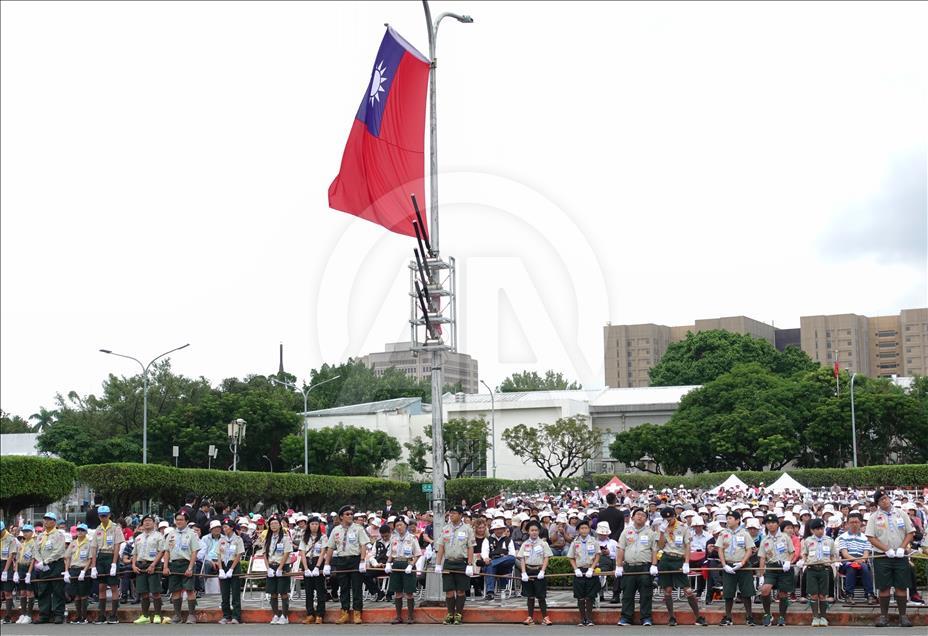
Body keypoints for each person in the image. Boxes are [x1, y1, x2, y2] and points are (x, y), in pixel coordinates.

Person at [866, 490, 915, 628]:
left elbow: (910, 532)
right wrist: (885, 549)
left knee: (901, 585)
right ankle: (884, 616)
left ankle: (903, 616)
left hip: (900, 555)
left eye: (886, 498)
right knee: (884, 586)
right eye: (881, 499)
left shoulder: (901, 513)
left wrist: (902, 547)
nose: (885, 501)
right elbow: (870, 537)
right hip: (882, 556)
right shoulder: (874, 517)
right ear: (877, 503)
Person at [657, 507, 704, 626]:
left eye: (670, 518)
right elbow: (661, 546)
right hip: (666, 557)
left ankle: (698, 617)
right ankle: (672, 617)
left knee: (687, 590)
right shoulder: (662, 527)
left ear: (674, 516)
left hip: (678, 558)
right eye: (666, 519)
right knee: (667, 590)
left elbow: (687, 546)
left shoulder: (683, 527)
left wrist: (686, 562)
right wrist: (662, 532)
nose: (669, 520)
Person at [323, 505, 369, 624]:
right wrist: (327, 563)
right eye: (347, 514)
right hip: (341, 560)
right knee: (343, 587)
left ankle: (357, 613)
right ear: (341, 517)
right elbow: (330, 547)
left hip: (355, 559)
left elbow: (363, 545)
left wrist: (363, 560)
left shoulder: (358, 528)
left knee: (357, 587)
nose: (350, 516)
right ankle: (344, 612)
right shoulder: (335, 530)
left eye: (351, 514)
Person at [434, 505, 476, 625]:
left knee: (461, 591)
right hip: (448, 562)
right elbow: (441, 547)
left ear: (460, 515)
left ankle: (459, 614)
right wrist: (438, 564)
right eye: (450, 513)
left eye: (454, 513)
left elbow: (470, 547)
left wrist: (469, 564)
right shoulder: (445, 528)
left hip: (461, 562)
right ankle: (450, 614)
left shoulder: (467, 529)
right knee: (449, 591)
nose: (451, 515)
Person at [615, 508, 656, 627]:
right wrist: (618, 566)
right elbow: (621, 548)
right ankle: (626, 618)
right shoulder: (626, 532)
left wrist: (653, 565)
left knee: (646, 594)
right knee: (627, 593)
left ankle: (646, 618)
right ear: (632, 517)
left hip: (644, 567)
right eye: (638, 514)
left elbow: (654, 550)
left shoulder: (650, 533)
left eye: (643, 515)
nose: (640, 517)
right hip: (629, 566)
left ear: (646, 519)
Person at [757, 514, 796, 627]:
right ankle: (767, 614)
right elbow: (762, 557)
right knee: (765, 589)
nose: (771, 525)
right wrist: (761, 575)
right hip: (771, 567)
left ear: (777, 524)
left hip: (784, 567)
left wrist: (788, 561)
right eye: (768, 523)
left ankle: (782, 616)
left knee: (783, 593)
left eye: (773, 522)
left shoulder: (785, 537)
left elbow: (792, 552)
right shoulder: (765, 540)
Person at [718, 509, 755, 626]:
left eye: (730, 518)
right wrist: (724, 565)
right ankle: (728, 617)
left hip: (742, 565)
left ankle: (749, 616)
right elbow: (720, 549)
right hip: (729, 564)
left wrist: (742, 562)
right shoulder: (723, 533)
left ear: (737, 520)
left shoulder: (744, 533)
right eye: (727, 518)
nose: (728, 520)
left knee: (746, 591)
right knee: (728, 592)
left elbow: (749, 549)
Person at [163, 510, 200, 624]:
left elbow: (194, 552)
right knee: (175, 590)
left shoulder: (192, 534)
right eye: (177, 519)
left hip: (186, 563)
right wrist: (165, 566)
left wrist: (190, 567)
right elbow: (167, 551)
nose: (179, 522)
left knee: (189, 589)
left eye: (181, 520)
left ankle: (191, 615)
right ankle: (177, 615)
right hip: (174, 564)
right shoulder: (171, 534)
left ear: (186, 521)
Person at [89, 504, 123, 624]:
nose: (103, 517)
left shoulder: (115, 528)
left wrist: (114, 563)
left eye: (105, 515)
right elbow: (93, 547)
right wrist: (93, 566)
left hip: (111, 555)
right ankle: (102, 615)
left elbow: (117, 546)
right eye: (101, 516)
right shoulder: (97, 529)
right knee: (101, 586)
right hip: (101, 557)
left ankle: (114, 615)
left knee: (114, 586)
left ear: (109, 515)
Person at [384, 516, 421, 624]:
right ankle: (398, 616)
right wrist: (388, 563)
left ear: (406, 525)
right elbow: (390, 553)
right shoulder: (393, 538)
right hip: (396, 564)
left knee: (409, 592)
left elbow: (417, 554)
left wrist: (411, 565)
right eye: (397, 526)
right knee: (398, 592)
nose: (399, 527)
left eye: (401, 525)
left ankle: (410, 616)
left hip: (408, 564)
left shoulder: (412, 538)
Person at [33, 512, 67, 625]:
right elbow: (35, 550)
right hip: (43, 565)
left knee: (57, 590)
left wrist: (46, 561)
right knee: (43, 590)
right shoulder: (41, 536)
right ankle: (44, 615)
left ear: (54, 521)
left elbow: (59, 551)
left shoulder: (59, 535)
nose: (46, 521)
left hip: (55, 564)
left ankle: (58, 615)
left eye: (48, 519)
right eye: (45, 519)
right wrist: (40, 561)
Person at [800, 517, 835, 627]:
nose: (820, 531)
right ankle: (815, 617)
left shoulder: (829, 540)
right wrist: (803, 561)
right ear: (812, 530)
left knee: (823, 595)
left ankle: (823, 617)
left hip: (824, 568)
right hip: (812, 569)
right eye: (817, 529)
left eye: (822, 528)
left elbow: (833, 555)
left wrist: (833, 563)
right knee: (814, 595)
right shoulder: (808, 541)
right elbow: (804, 553)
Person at [131, 515, 165, 624]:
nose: (147, 523)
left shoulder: (159, 536)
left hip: (153, 565)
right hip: (140, 565)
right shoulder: (138, 537)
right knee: (143, 591)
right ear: (142, 524)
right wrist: (133, 565)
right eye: (145, 521)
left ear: (154, 523)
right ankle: (145, 615)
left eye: (149, 521)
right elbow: (135, 553)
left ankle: (157, 615)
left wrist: (154, 564)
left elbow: (161, 551)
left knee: (155, 591)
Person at [517, 520, 553, 625]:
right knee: (530, 595)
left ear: (539, 531)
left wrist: (542, 571)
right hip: (528, 570)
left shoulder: (543, 543)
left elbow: (546, 558)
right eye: (532, 530)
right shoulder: (525, 544)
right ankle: (530, 617)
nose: (534, 532)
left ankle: (545, 617)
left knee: (541, 596)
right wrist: (523, 572)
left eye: (536, 530)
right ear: (528, 531)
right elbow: (522, 558)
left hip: (539, 570)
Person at [567, 518, 600, 627]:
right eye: (582, 528)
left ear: (589, 529)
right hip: (579, 571)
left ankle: (590, 619)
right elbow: (571, 557)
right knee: (580, 596)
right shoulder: (575, 542)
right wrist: (575, 569)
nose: (584, 530)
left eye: (586, 528)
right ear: (578, 530)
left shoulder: (594, 541)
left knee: (590, 596)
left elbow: (597, 555)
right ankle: (582, 619)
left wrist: (592, 568)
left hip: (590, 570)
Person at [836, 512, 873, 605]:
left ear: (861, 523)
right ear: (847, 524)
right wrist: (856, 560)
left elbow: (866, 554)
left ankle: (869, 594)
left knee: (865, 568)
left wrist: (862, 560)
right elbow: (845, 554)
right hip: (847, 562)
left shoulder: (866, 538)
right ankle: (849, 594)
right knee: (852, 567)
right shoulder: (843, 537)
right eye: (851, 522)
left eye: (856, 522)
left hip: (862, 561)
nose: (854, 524)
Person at [264, 516, 292, 624]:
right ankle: (276, 614)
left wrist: (280, 567)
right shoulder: (267, 538)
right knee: (273, 593)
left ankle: (285, 616)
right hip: (271, 566)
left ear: (280, 525)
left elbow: (287, 553)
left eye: (276, 523)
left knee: (283, 592)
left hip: (282, 566)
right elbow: (265, 554)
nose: (274, 526)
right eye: (271, 524)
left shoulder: (285, 537)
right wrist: (268, 569)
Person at [299, 516, 327, 624]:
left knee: (320, 590)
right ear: (308, 525)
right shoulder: (304, 537)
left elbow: (323, 552)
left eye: (316, 524)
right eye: (312, 524)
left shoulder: (323, 537)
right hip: (307, 563)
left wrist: (317, 567)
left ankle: (320, 614)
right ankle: (310, 614)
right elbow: (302, 553)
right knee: (308, 590)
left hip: (318, 563)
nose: (314, 526)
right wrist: (306, 568)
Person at [216, 519, 244, 625]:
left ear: (232, 527)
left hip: (234, 565)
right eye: (223, 527)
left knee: (235, 593)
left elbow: (238, 555)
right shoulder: (221, 540)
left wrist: (232, 569)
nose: (224, 529)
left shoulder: (238, 539)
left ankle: (236, 616)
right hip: (224, 564)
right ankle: (226, 616)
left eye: (226, 527)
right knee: (225, 593)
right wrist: (221, 569)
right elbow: (218, 554)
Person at [64, 524, 93, 624]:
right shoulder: (73, 543)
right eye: (78, 530)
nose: (80, 532)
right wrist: (66, 571)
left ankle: (83, 617)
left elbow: (90, 559)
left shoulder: (88, 544)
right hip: (73, 569)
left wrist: (84, 571)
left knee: (83, 594)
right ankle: (78, 615)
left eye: (82, 530)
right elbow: (68, 557)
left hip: (83, 569)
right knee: (76, 594)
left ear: (86, 532)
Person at [482, 517, 515, 600]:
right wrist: (486, 558)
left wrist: (504, 557)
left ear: (503, 529)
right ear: (493, 530)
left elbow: (512, 554)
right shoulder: (487, 539)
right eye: (497, 529)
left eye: (501, 529)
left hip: (505, 563)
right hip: (492, 561)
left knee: (511, 558)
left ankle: (493, 563)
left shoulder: (508, 540)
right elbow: (484, 552)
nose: (499, 531)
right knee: (490, 565)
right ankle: (490, 592)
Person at [1, 521, 20, 623]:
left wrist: (5, 570)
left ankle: (8, 616)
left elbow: (11, 555)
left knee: (7, 592)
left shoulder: (11, 539)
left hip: (6, 564)